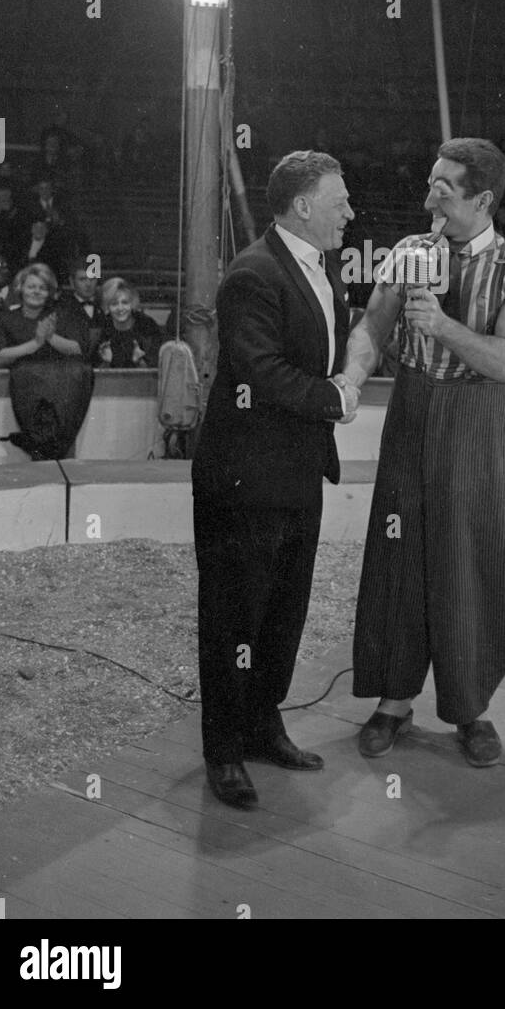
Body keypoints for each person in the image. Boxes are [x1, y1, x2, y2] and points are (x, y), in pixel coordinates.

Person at [342, 138, 505, 768]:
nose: (430, 195)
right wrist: (351, 378)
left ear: (482, 199)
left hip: (478, 420)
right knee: (400, 553)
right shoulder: (408, 254)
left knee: (472, 560)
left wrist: (444, 328)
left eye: (444, 188)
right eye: (431, 182)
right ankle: (394, 701)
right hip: (412, 410)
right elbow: (372, 330)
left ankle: (469, 708)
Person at [191, 151, 355, 808]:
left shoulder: (324, 269)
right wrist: (333, 400)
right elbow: (259, 369)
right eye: (340, 199)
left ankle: (262, 724)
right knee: (235, 616)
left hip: (295, 476)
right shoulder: (253, 274)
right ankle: (224, 751)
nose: (351, 210)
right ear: (304, 205)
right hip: (243, 481)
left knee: (283, 613)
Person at [0, 262, 93, 459]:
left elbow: (77, 350)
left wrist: (51, 337)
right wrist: (36, 343)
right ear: (21, 288)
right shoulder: (5, 318)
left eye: (42, 288)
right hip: (25, 398)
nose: (36, 292)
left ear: (50, 292)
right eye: (31, 286)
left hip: (62, 399)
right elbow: (0, 357)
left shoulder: (61, 315)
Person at [95, 278, 169, 368]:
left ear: (132, 303)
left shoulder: (147, 326)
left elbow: (157, 371)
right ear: (107, 306)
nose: (120, 308)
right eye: (114, 304)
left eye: (125, 303)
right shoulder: (101, 326)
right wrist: (106, 362)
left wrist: (140, 361)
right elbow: (94, 373)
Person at [57, 257, 105, 361]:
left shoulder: (105, 306)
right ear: (71, 282)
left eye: (92, 279)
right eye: (82, 279)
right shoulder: (61, 307)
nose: (88, 284)